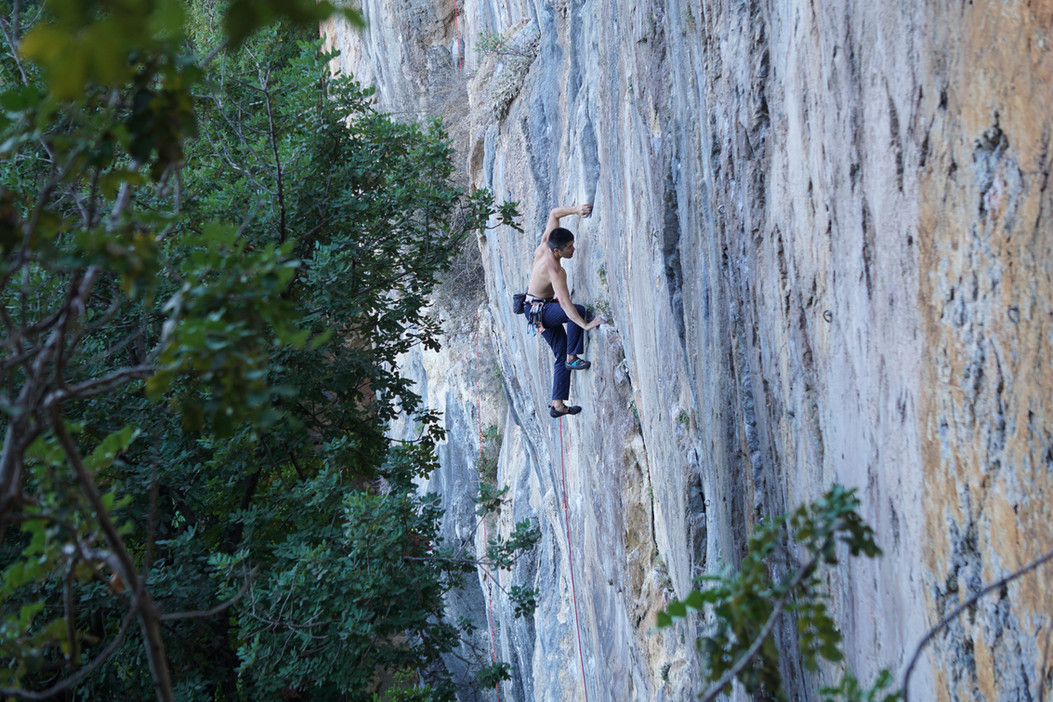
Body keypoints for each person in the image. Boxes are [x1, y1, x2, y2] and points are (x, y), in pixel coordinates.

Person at [524, 203, 606, 418]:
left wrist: (577, 210)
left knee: (560, 352)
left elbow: (554, 213)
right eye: (569, 247)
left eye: (573, 244)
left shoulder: (545, 245)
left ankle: (558, 405)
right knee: (578, 311)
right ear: (557, 251)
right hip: (540, 311)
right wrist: (585, 325)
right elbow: (566, 305)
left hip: (535, 309)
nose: (573, 249)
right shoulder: (556, 271)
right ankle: (573, 357)